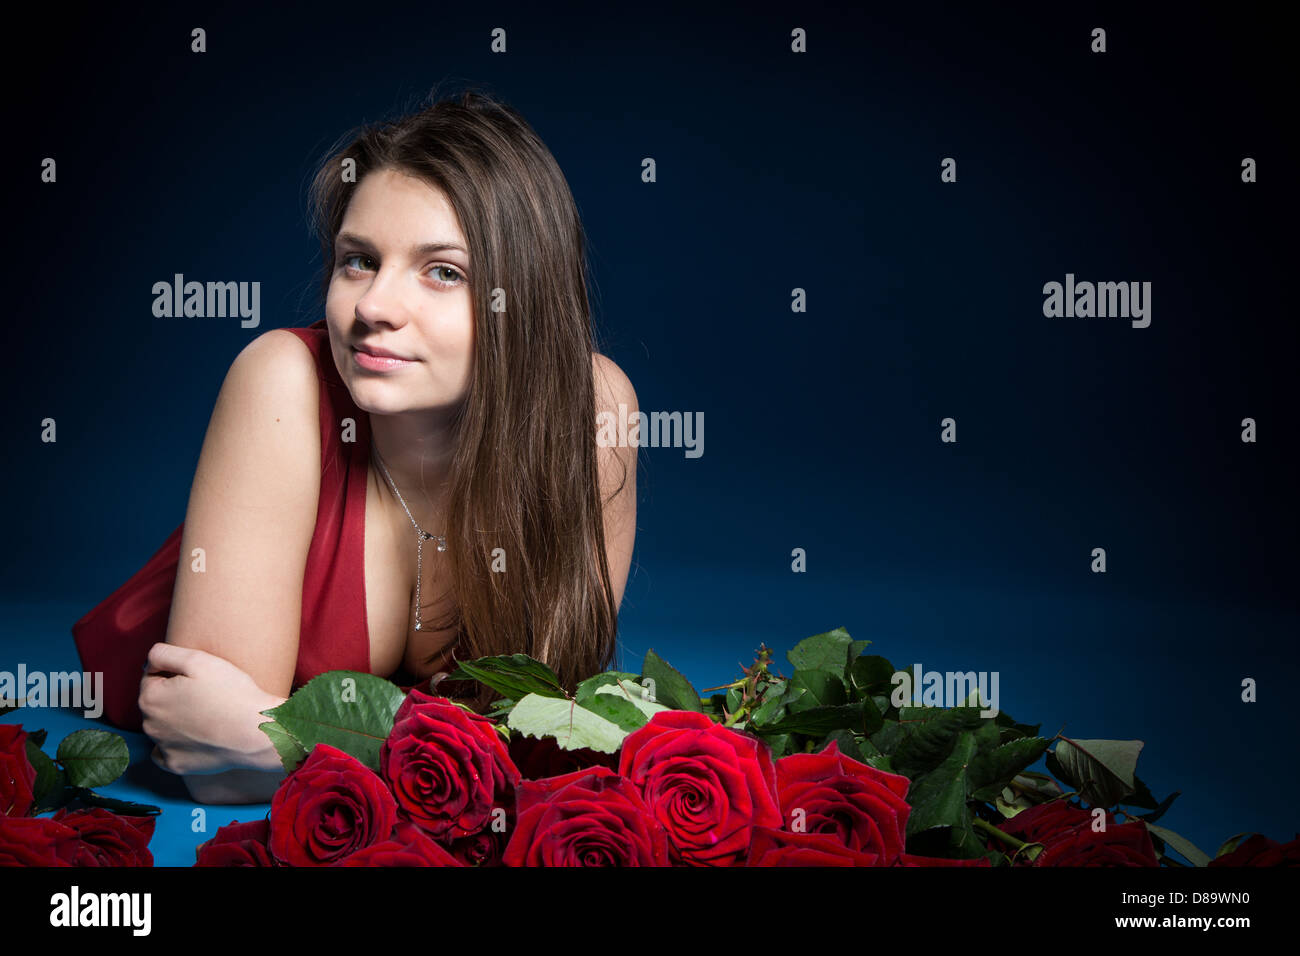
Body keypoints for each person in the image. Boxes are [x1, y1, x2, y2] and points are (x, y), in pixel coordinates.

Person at [72, 88, 638, 804]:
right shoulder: (281, 381)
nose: (373, 308)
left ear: (521, 299)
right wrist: (428, 752)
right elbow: (212, 765)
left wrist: (284, 739)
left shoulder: (593, 411)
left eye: (443, 272)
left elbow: (548, 737)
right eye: (358, 261)